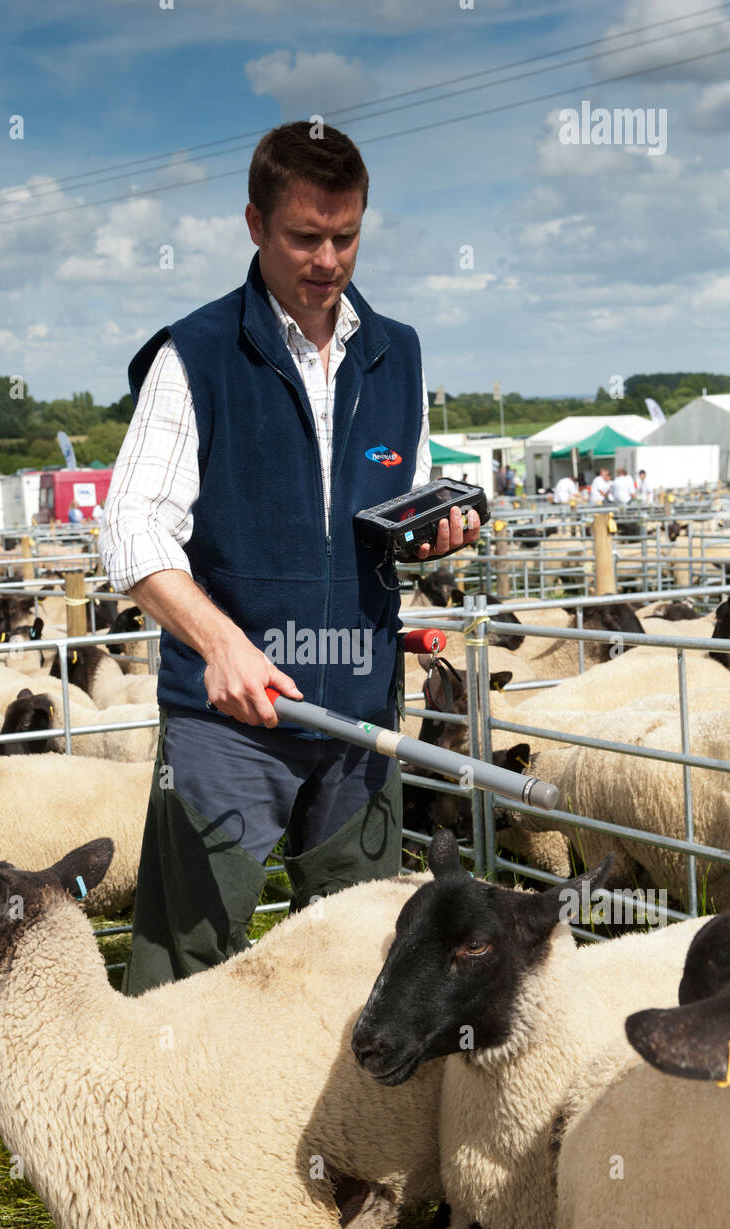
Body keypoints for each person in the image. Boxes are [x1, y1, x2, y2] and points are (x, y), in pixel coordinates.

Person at [100, 121, 480, 993]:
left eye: (345, 235)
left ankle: (333, 1127)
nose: (328, 259)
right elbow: (131, 527)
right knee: (185, 960)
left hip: (357, 709)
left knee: (361, 959)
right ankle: (162, 1127)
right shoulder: (193, 354)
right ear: (254, 224)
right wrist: (222, 645)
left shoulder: (399, 352)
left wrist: (427, 537)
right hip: (229, 723)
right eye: (304, 236)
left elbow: (390, 507)